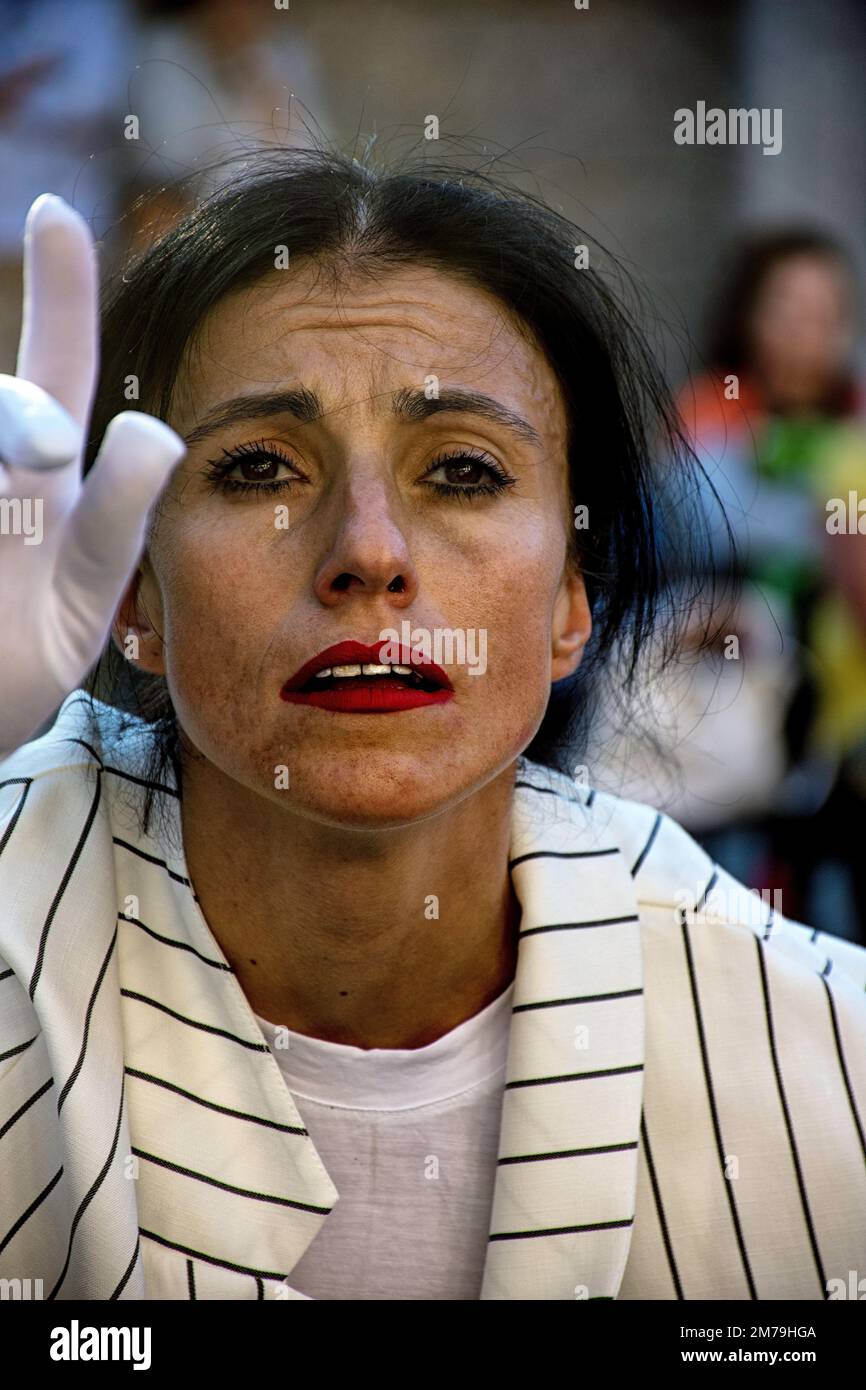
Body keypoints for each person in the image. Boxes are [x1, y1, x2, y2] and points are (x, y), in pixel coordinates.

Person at [1, 147, 865, 1302]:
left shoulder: (824, 1061)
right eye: (260, 468)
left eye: (460, 470)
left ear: (571, 599)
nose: (367, 551)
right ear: (134, 596)